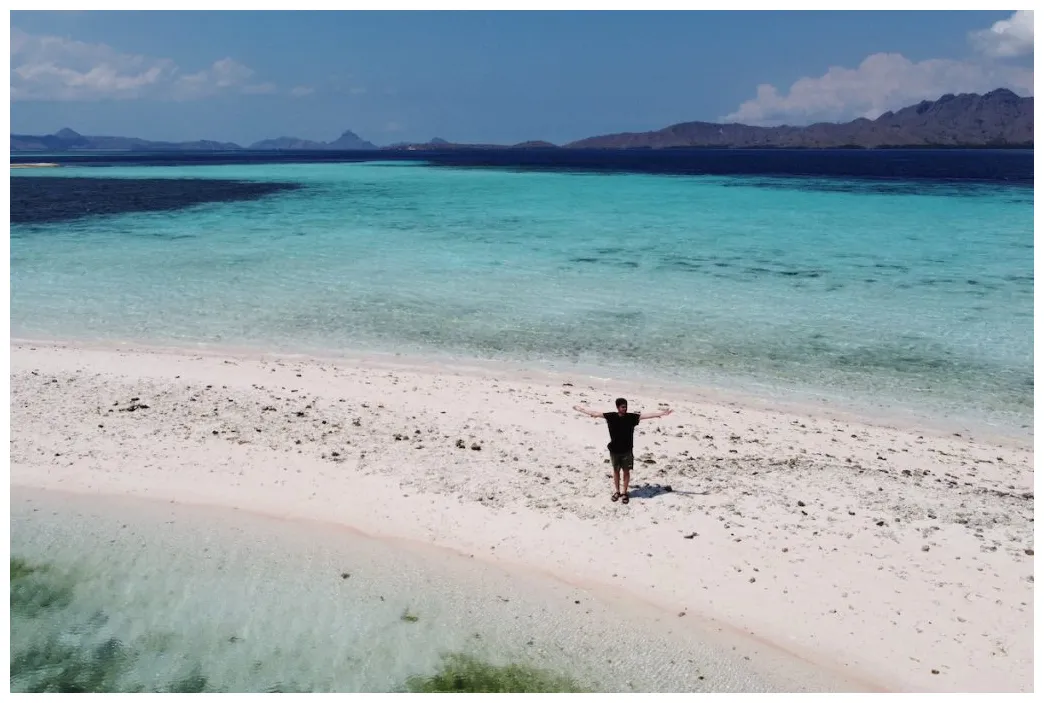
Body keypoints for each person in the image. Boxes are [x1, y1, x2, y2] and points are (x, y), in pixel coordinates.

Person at [573, 397, 673, 504]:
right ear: (618, 407)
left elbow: (646, 415)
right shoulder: (611, 416)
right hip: (614, 450)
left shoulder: (631, 417)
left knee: (626, 472)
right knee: (616, 472)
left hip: (627, 451)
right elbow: (595, 413)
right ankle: (617, 491)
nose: (625, 409)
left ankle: (624, 492)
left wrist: (662, 413)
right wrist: (580, 409)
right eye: (623, 407)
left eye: (626, 407)